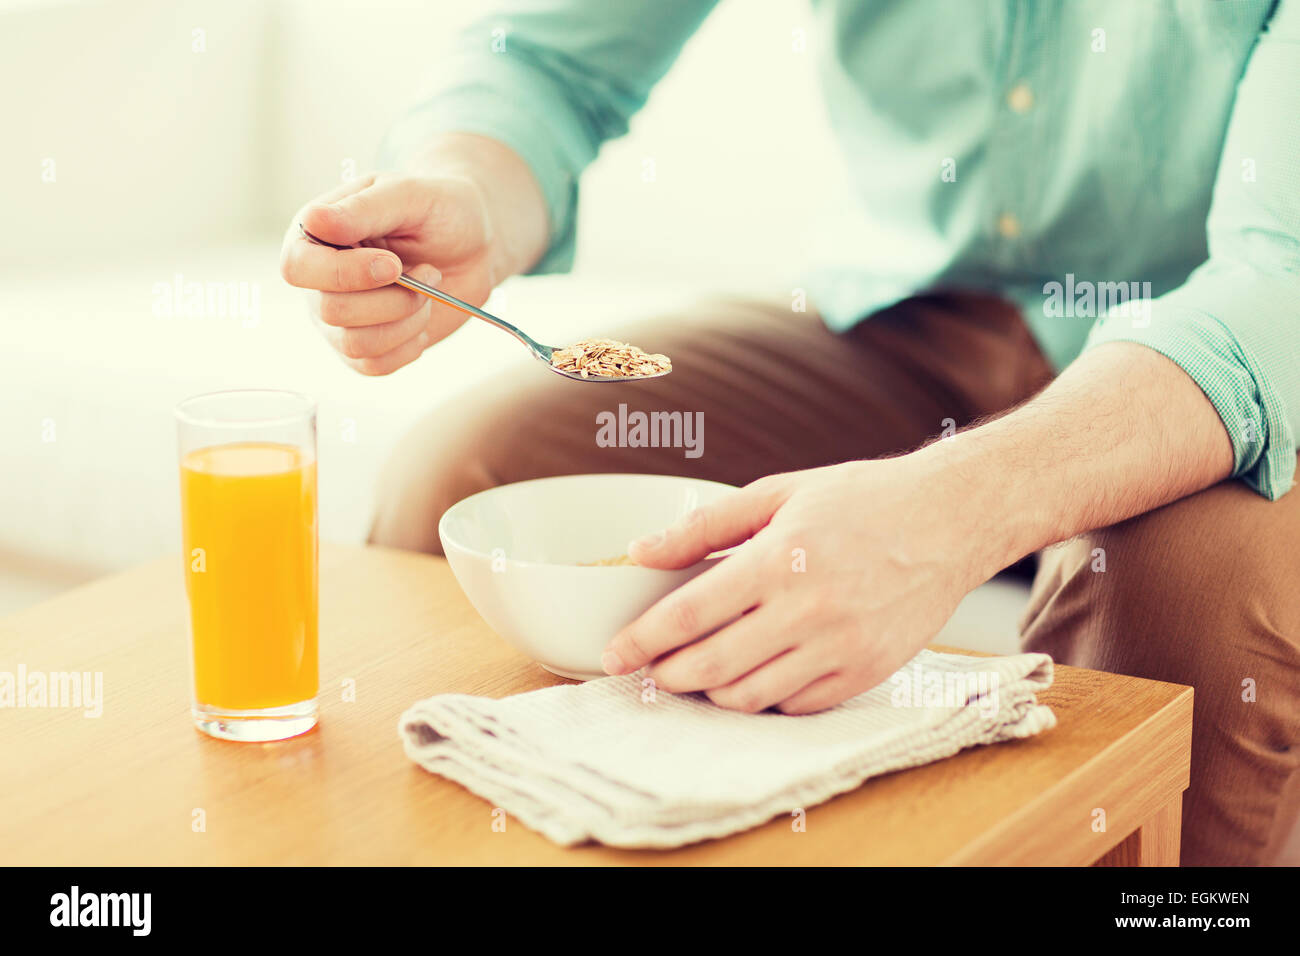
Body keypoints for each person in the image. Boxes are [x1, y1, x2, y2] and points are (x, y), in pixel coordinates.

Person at [279, 1, 1300, 865]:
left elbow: (1280, 273)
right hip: (900, 318)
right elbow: (545, 58)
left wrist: (952, 509)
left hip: (1208, 360)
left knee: (1174, 602)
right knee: (467, 477)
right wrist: (469, 196)